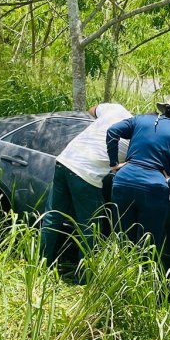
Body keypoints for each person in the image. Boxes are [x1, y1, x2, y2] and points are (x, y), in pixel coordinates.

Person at [105, 95, 170, 250]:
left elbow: (112, 131)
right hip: (153, 188)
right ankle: (141, 266)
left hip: (124, 181)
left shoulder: (140, 120)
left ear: (165, 110)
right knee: (148, 243)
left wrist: (114, 164)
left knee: (121, 237)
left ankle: (119, 264)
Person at [40, 102, 133, 265]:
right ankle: (84, 275)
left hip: (65, 160)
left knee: (52, 216)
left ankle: (40, 264)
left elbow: (91, 110)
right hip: (86, 173)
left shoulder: (116, 109)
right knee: (90, 227)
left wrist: (100, 127)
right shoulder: (139, 136)